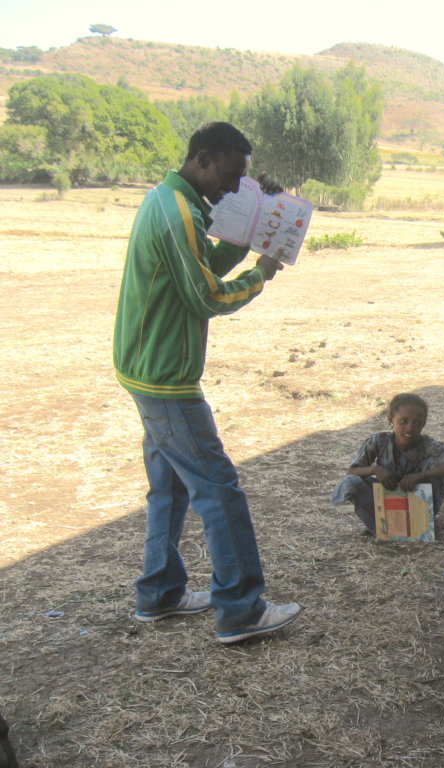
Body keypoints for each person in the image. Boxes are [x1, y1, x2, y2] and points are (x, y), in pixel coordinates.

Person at [113, 121, 300, 644]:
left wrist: (247, 242)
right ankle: (240, 608)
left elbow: (203, 266)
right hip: (165, 376)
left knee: (170, 487)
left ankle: (160, 592)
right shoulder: (175, 212)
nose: (233, 187)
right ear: (202, 158)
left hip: (146, 366)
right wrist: (260, 273)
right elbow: (207, 297)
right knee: (219, 490)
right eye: (230, 174)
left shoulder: (176, 204)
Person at [332, 393, 444, 535]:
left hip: (416, 505)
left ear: (423, 425)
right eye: (403, 421)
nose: (410, 428)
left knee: (438, 466)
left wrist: (420, 476)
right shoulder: (378, 441)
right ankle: (377, 525)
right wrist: (376, 469)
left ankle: (423, 523)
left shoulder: (427, 444)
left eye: (417, 423)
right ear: (391, 420)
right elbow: (353, 471)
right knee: (351, 483)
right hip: (387, 502)